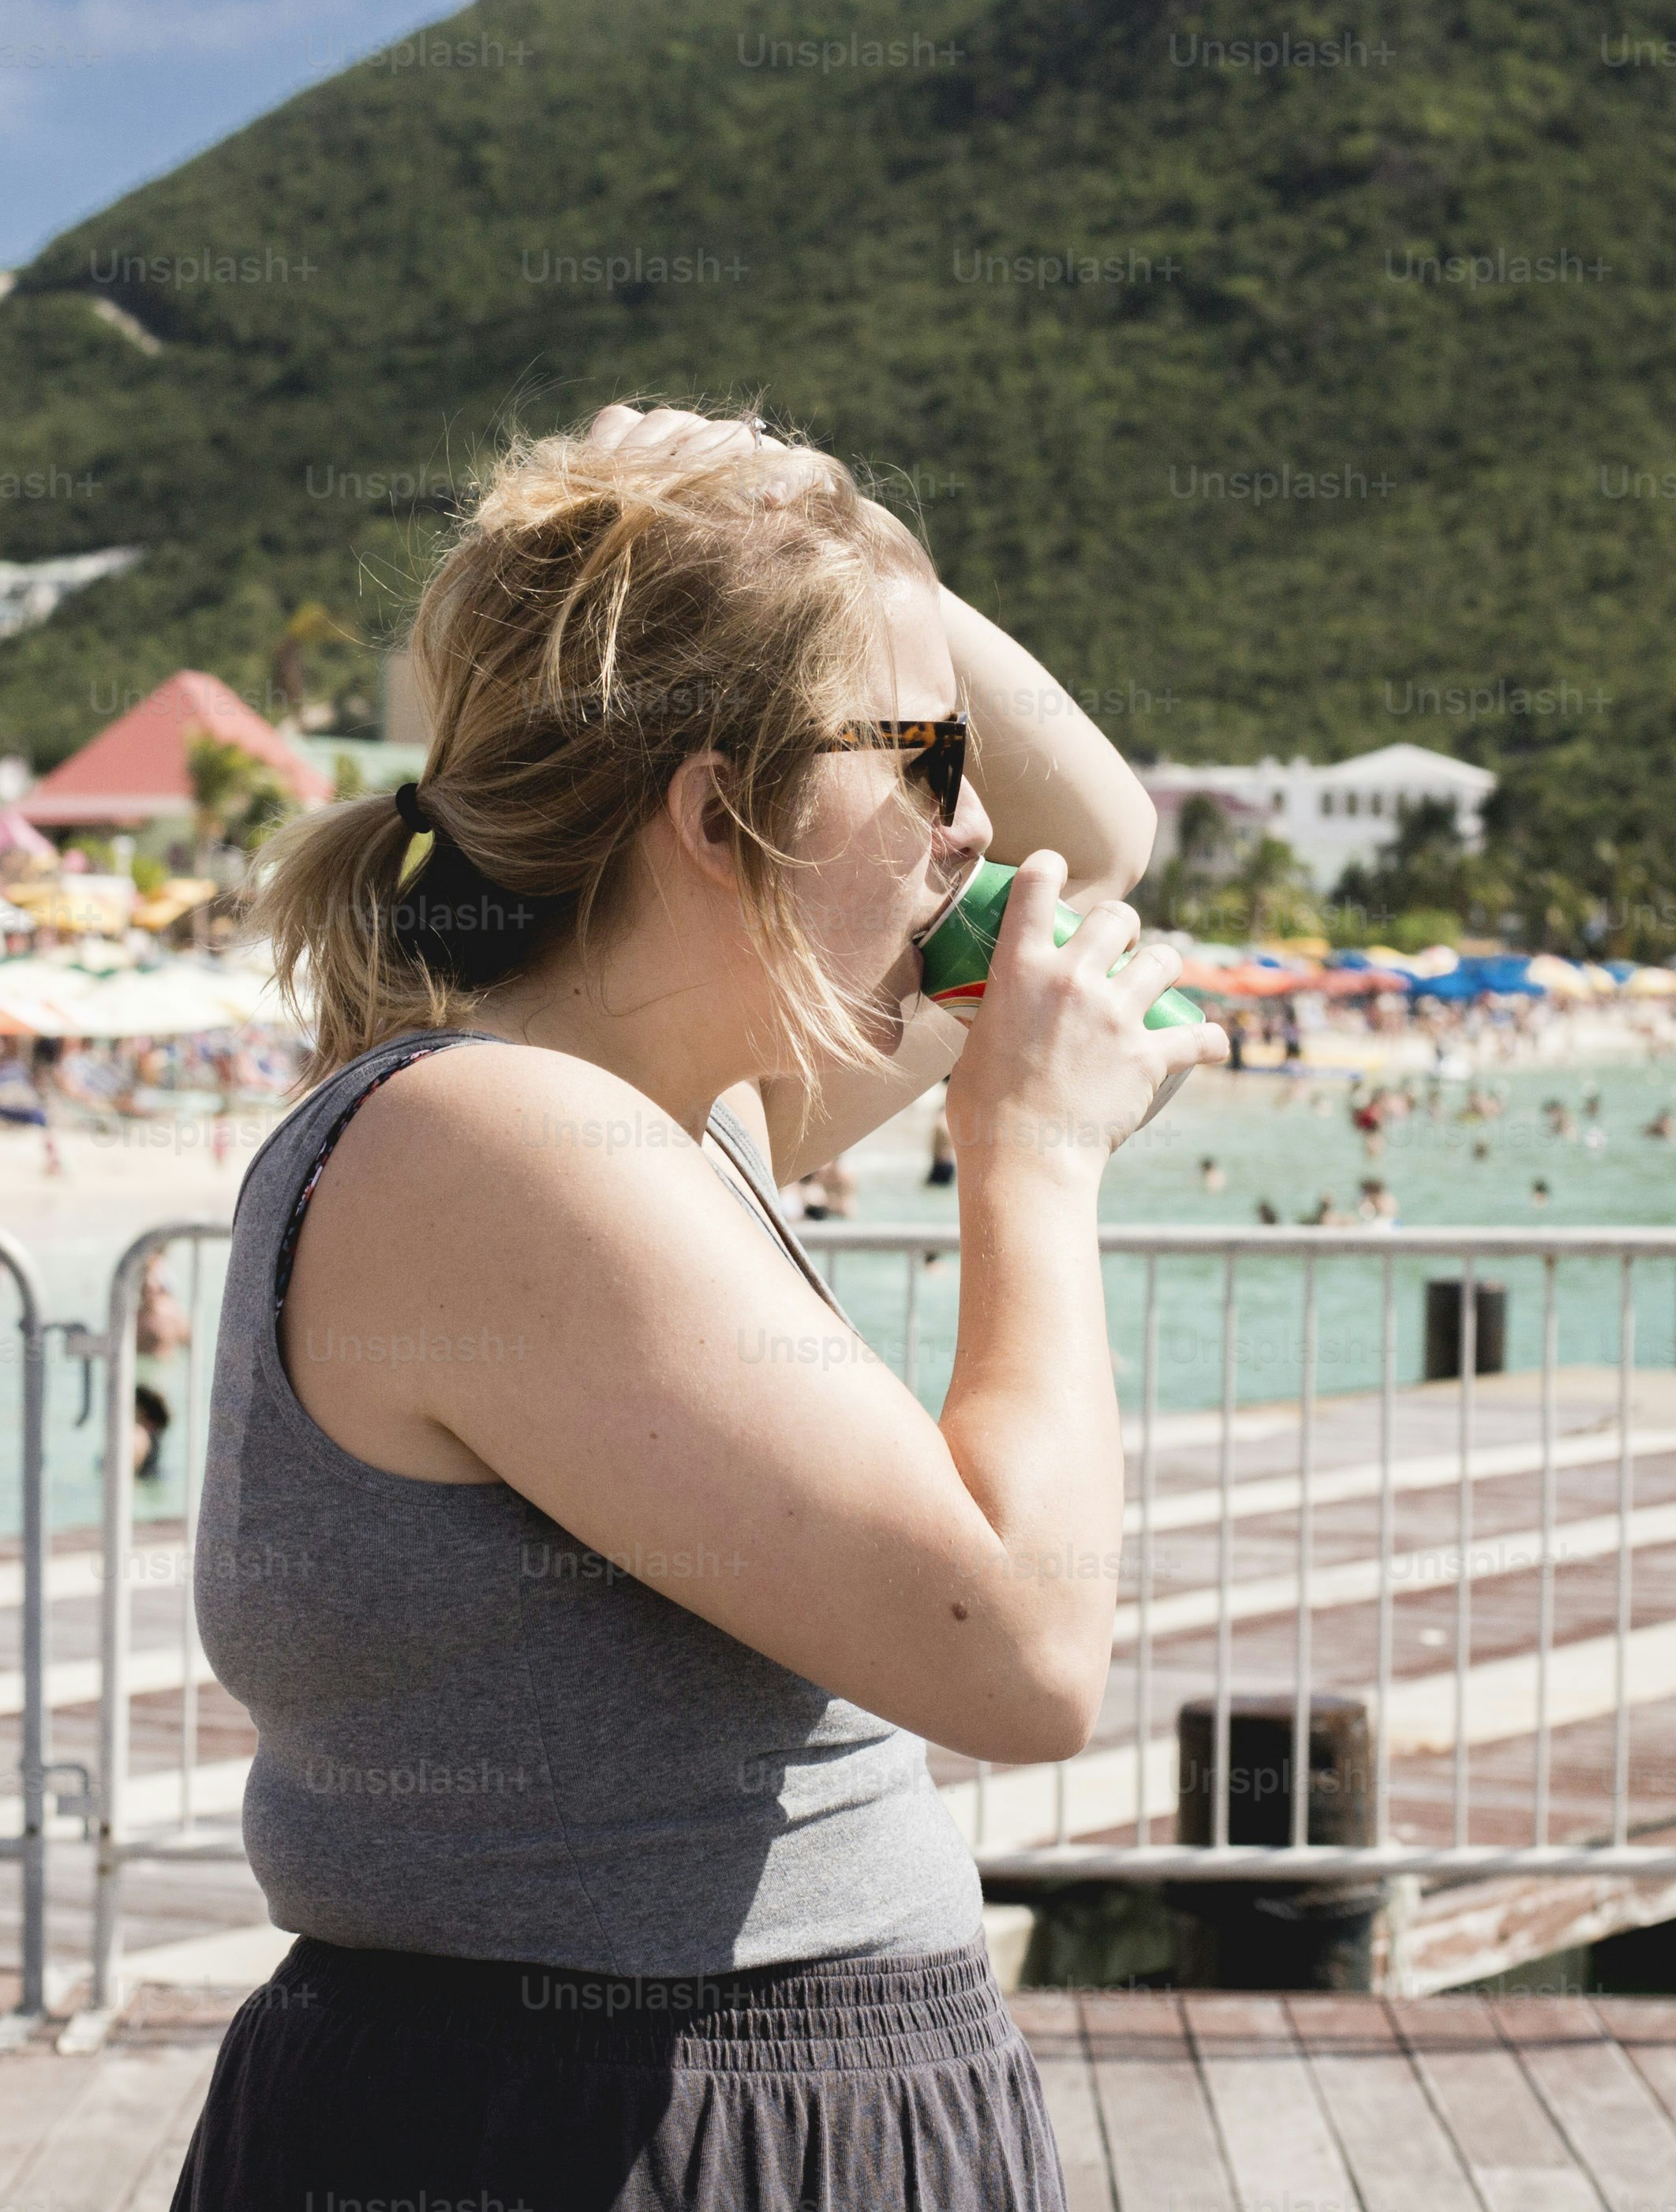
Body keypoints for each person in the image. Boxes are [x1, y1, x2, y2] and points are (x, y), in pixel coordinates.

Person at [165, 404, 1204, 2206]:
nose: (969, 839)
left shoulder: (662, 1118)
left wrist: (813, 547)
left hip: (676, 2099)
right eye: (920, 772)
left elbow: (1098, 836)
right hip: (606, 2122)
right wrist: (1028, 1157)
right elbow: (1024, 1654)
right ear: (718, 813)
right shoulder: (508, 1145)